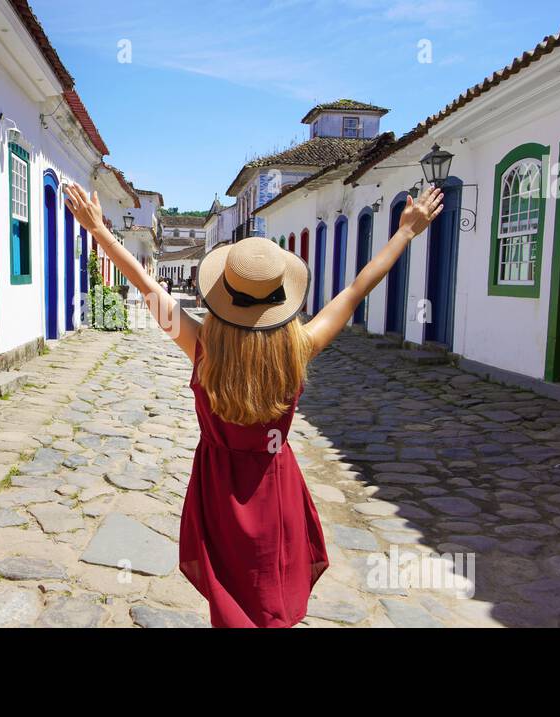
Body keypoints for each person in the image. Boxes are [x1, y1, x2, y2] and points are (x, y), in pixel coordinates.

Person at [64, 183, 444, 627]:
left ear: (224, 295)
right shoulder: (299, 347)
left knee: (229, 596)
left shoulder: (202, 346)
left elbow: (147, 288)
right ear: (282, 297)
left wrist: (98, 230)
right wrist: (404, 233)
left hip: (217, 486)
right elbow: (355, 291)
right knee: (269, 590)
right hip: (274, 481)